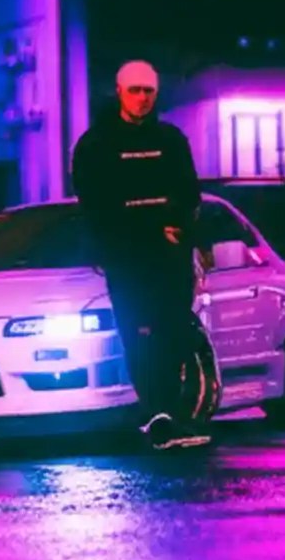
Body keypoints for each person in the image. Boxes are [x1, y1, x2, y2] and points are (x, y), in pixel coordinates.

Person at [70, 60, 214, 451]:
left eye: (148, 91)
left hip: (168, 258)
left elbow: (189, 196)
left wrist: (186, 234)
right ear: (119, 91)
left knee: (172, 334)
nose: (142, 98)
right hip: (129, 259)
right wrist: (151, 228)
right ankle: (157, 414)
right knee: (141, 336)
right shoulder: (96, 145)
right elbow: (97, 206)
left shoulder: (171, 140)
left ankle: (169, 413)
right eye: (135, 90)